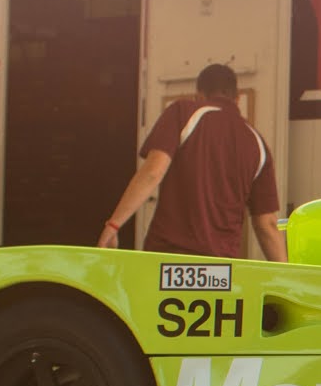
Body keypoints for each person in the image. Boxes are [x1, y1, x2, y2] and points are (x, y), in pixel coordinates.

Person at [99, 64, 286, 260]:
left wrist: (113, 225)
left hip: (168, 257)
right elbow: (267, 225)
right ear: (237, 98)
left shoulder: (183, 112)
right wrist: (286, 282)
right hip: (221, 268)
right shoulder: (257, 143)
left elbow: (153, 172)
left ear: (199, 96)